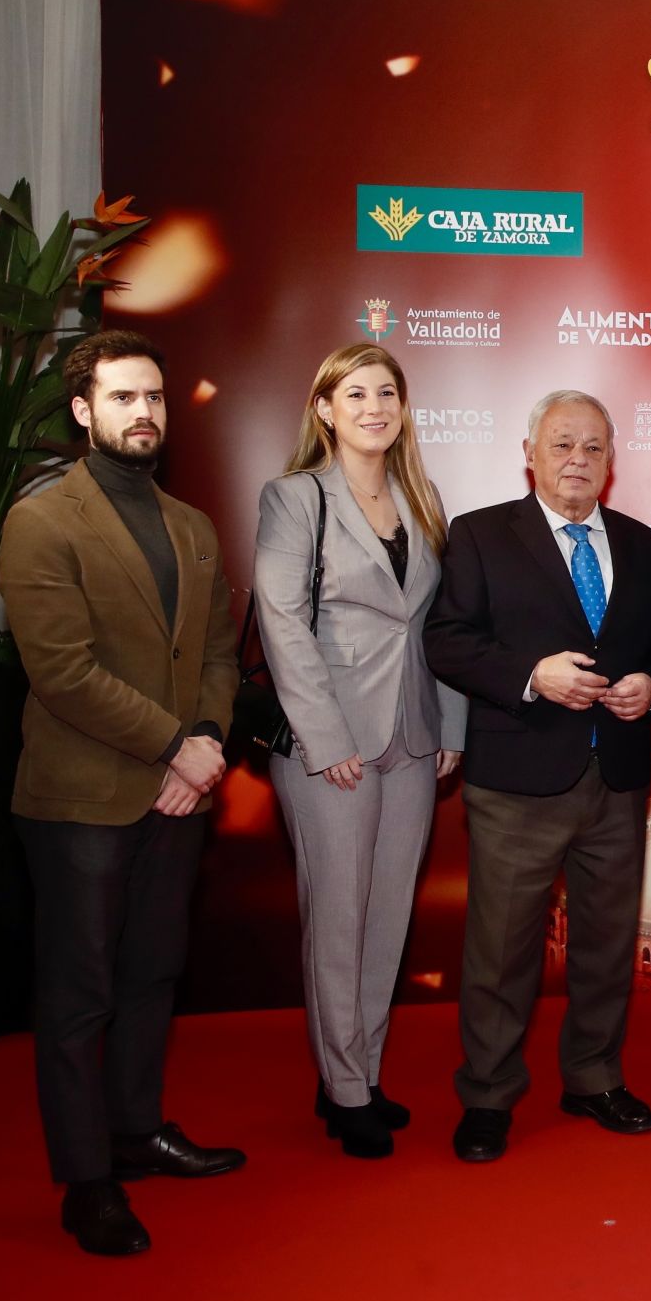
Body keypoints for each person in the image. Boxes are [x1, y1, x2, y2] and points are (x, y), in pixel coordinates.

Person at [0, 330, 244, 1256]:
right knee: (78, 995)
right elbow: (62, 674)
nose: (144, 412)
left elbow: (218, 653)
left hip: (178, 794)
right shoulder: (43, 519)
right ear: (83, 410)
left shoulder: (191, 523)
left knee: (151, 975)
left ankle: (137, 1135)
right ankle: (85, 1181)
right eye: (123, 397)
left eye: (154, 397)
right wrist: (178, 749)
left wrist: (210, 744)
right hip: (81, 803)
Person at [424, 390, 651, 1161]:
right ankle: (490, 1094)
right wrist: (532, 674)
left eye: (594, 448)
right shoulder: (477, 537)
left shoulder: (644, 545)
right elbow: (447, 639)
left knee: (606, 944)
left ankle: (594, 1077)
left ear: (611, 462)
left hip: (618, 776)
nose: (578, 460)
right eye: (563, 444)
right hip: (517, 778)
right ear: (530, 453)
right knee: (501, 949)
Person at [254, 344, 465, 1160]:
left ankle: (360, 1071)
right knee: (336, 922)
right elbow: (281, 622)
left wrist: (449, 728)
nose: (373, 405)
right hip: (330, 743)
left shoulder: (422, 496)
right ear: (325, 409)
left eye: (387, 392)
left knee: (386, 919)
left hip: (412, 737)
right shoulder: (296, 498)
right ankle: (345, 1090)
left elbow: (438, 627)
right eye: (355, 393)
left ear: (403, 409)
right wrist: (324, 739)